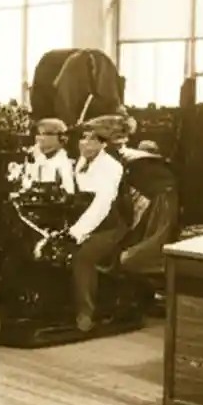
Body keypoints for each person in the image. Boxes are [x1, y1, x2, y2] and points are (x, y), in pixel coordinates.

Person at [34, 116, 129, 332]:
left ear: (103, 143)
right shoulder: (80, 162)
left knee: (82, 258)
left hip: (108, 227)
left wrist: (77, 233)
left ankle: (85, 314)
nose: (84, 143)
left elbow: (101, 205)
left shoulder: (111, 167)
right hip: (82, 223)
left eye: (91, 140)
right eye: (83, 139)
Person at [21, 117, 75, 193]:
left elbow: (69, 190)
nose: (38, 138)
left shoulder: (64, 161)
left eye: (43, 134)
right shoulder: (34, 156)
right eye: (38, 134)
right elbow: (26, 181)